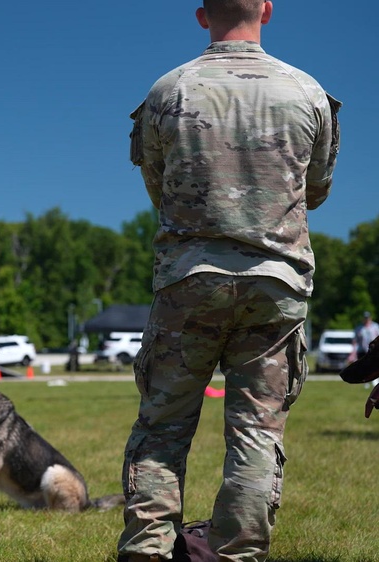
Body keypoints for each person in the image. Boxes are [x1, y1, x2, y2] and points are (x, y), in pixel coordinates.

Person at [118, 2, 341, 561]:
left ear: (201, 15)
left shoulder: (168, 92)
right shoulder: (307, 93)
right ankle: (238, 554)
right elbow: (316, 189)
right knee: (256, 431)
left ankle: (146, 551)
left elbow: (158, 185)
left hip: (189, 277)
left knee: (163, 426)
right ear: (267, 8)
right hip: (276, 282)